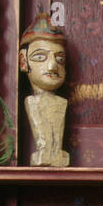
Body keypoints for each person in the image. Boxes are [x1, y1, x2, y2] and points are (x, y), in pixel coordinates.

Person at [19, 12, 70, 167]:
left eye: (60, 59)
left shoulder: (62, 102)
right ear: (23, 61)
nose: (52, 66)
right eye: (40, 57)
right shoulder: (32, 102)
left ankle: (54, 154)